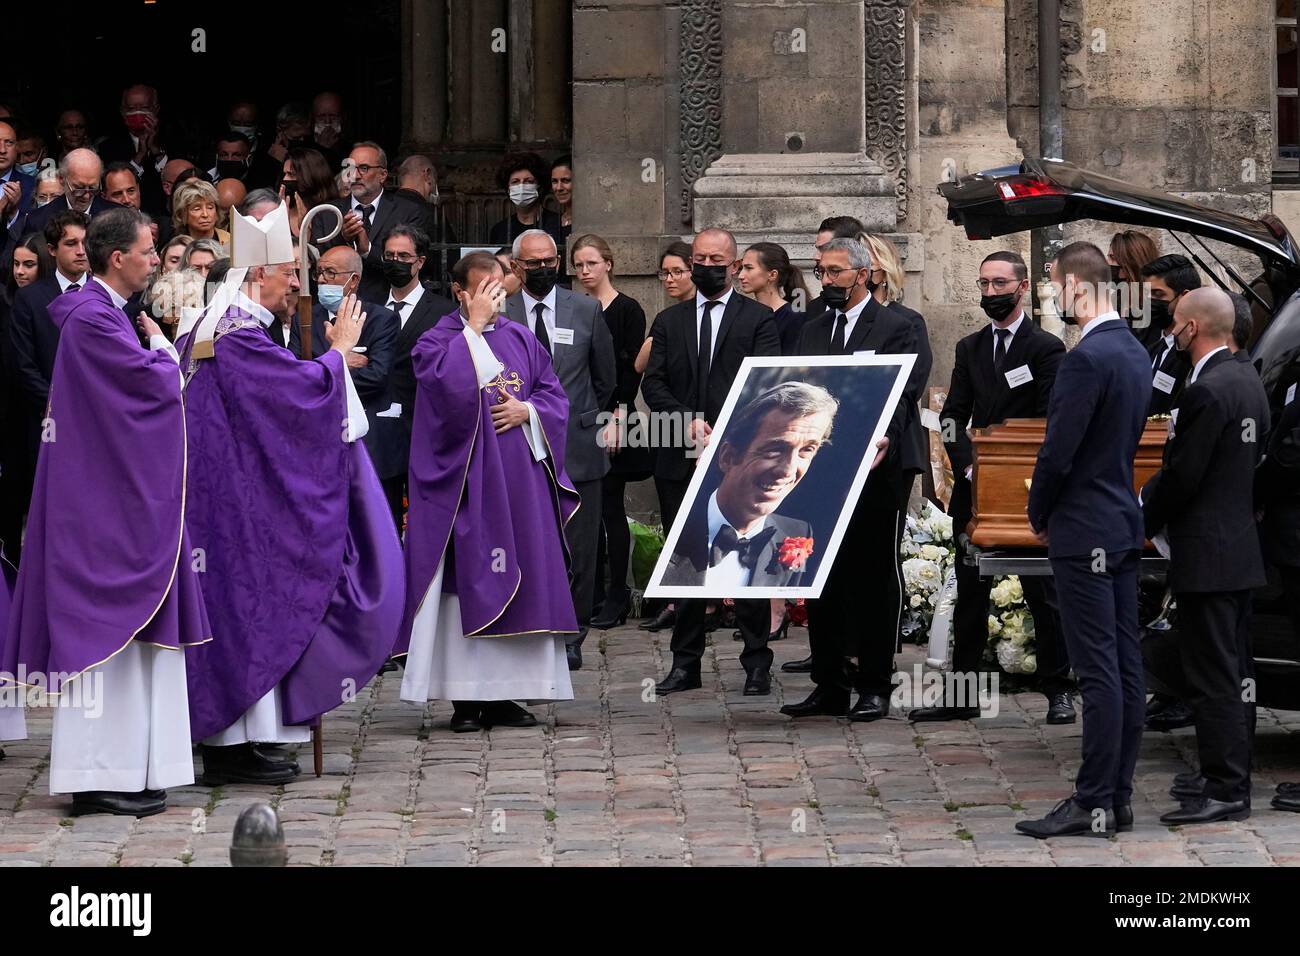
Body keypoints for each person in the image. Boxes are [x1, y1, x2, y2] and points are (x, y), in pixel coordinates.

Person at [177, 202, 403, 784]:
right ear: (258, 275)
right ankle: (229, 747)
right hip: (234, 508)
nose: (299, 285)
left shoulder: (228, 325)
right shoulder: (233, 335)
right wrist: (336, 355)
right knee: (242, 611)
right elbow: (293, 394)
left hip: (233, 496)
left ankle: (246, 739)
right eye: (292, 274)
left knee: (247, 610)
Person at [2, 206, 209, 817]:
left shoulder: (105, 315)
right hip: (97, 508)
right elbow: (149, 391)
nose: (154, 259)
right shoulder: (93, 321)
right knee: (105, 637)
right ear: (117, 257)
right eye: (148, 251)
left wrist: (156, 346)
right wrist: (166, 351)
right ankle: (95, 775)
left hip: (108, 498)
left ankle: (133, 766)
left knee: (131, 644)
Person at [393, 251, 578, 732]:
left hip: (520, 486)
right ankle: (465, 700)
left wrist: (529, 412)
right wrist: (472, 331)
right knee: (466, 583)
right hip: (466, 487)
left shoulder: (521, 337)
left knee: (525, 578)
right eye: (485, 289)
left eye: (500, 287)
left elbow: (554, 395)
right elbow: (447, 400)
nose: (496, 296)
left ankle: (505, 695)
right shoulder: (437, 341)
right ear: (460, 291)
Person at [1018, 241, 1152, 839]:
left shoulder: (1087, 357)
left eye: (1053, 287)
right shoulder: (1132, 350)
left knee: (1098, 670)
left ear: (1076, 287)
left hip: (1084, 526)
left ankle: (1094, 798)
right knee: (1123, 667)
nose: (1054, 298)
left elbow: (1058, 450)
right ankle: (1114, 798)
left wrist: (1037, 508)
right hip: (1121, 522)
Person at [909, 251, 1074, 723]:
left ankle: (1059, 689)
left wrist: (1009, 469)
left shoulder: (1046, 349)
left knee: (1042, 592)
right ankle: (962, 695)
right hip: (975, 486)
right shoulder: (970, 347)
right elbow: (954, 416)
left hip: (1023, 486)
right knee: (970, 587)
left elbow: (1046, 422)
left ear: (1021, 288)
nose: (990, 294)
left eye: (999, 284)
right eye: (983, 284)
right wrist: (967, 467)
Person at [1140, 287, 1269, 825]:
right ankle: (1228, 774)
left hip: (1209, 554)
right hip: (1235, 549)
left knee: (1213, 675)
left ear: (1192, 329)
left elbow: (1185, 475)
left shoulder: (1209, 389)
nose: (1170, 332)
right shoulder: (1247, 378)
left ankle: (1226, 788)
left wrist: (1140, 511)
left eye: (1174, 324)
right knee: (1234, 670)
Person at [642, 227, 782, 696]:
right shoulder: (669, 321)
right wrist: (686, 421)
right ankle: (685, 663)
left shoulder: (759, 320)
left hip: (740, 457)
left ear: (734, 262)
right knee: (686, 562)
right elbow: (653, 383)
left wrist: (726, 432)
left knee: (749, 559)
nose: (705, 266)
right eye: (698, 258)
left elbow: (765, 385)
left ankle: (757, 662)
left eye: (715, 258)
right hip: (680, 453)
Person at [779, 237, 913, 720]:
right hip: (821, 470)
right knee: (823, 577)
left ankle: (875, 683)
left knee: (873, 576)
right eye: (821, 272)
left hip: (877, 473)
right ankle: (829, 682)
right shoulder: (810, 329)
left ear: (863, 274)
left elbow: (903, 394)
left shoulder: (897, 327)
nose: (827, 280)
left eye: (835, 272)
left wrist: (884, 438)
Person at [504, 229, 616, 670]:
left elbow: (605, 378)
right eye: (534, 264)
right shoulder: (502, 310)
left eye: (551, 261)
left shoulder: (585, 309)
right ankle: (529, 627)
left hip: (578, 447)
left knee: (580, 547)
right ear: (517, 267)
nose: (545, 269)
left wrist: (584, 420)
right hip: (517, 448)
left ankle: (572, 632)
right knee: (527, 542)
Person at [661, 382, 832, 588]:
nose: (788, 471)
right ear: (728, 457)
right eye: (775, 449)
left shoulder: (798, 533)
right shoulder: (679, 529)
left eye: (807, 450)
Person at [571, 234, 649, 630]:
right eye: (579, 265)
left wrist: (618, 415)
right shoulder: (574, 309)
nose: (585, 271)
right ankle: (592, 592)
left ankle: (616, 593)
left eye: (591, 263)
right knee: (587, 510)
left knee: (612, 507)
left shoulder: (627, 310)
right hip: (580, 417)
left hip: (615, 415)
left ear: (609, 264)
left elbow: (628, 370)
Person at [293, 246, 400, 523]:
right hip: (317, 436)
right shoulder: (304, 318)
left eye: (331, 273)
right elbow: (296, 375)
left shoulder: (381, 319)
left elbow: (377, 377)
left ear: (353, 280)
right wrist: (340, 358)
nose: (322, 280)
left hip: (366, 436)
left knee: (374, 523)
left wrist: (321, 367)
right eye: (319, 273)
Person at [9, 212, 91, 528]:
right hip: (46, 423)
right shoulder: (30, 299)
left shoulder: (107, 294)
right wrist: (61, 406)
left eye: (85, 243)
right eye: (71, 243)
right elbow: (23, 365)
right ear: (53, 249)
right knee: (49, 512)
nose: (81, 251)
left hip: (98, 422)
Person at [637, 240, 697, 633]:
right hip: (675, 433)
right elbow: (645, 371)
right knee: (676, 522)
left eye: (678, 271)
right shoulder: (667, 321)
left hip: (716, 435)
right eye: (665, 272)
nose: (671, 278)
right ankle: (680, 600)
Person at [382, 223, 456, 532]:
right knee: (383, 521)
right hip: (380, 430)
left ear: (420, 262)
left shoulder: (444, 312)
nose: (395, 262)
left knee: (425, 522)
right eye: (389, 255)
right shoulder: (367, 304)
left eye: (403, 256)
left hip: (423, 428)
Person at [320, 142, 430, 303]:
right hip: (337, 307)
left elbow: (413, 264)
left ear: (383, 175)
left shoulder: (408, 211)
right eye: (350, 168)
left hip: (390, 305)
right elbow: (319, 263)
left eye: (364, 168)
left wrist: (367, 250)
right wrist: (344, 239)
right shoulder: (328, 212)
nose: (355, 175)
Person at [0, 234, 53, 560]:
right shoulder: (5, 302)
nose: (20, 272)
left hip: (37, 413)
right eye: (16, 264)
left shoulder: (47, 307)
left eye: (28, 264)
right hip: (9, 415)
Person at [1139, 253, 1201, 417]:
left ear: (1184, 296)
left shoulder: (1194, 353)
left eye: (1158, 294)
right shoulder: (1148, 346)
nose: (1150, 301)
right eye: (1147, 294)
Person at [96, 85, 169, 218]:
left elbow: (178, 180)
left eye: (144, 108)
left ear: (156, 109)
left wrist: (157, 152)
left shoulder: (174, 139)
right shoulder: (108, 147)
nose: (138, 113)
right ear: (123, 112)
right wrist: (139, 156)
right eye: (131, 109)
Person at [14, 149, 113, 239]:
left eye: (92, 188)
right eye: (79, 188)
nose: (86, 196)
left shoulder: (116, 217)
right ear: (62, 179)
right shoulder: (38, 221)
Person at [738, 241, 810, 356]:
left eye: (749, 268)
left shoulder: (794, 317)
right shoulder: (746, 313)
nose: (741, 276)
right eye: (741, 268)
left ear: (772, 275)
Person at [488, 152, 560, 246]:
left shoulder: (557, 224)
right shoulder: (500, 230)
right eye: (515, 182)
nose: (521, 186)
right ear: (508, 188)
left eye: (529, 181)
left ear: (540, 186)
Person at [1107, 230, 1162, 350]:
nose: (1107, 263)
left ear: (1130, 263)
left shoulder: (1153, 308)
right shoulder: (1115, 299)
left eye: (1112, 258)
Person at [172, 179, 228, 245]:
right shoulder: (176, 247)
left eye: (210, 208)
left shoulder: (231, 242)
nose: (205, 214)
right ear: (181, 214)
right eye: (197, 209)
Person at [549, 155, 573, 286]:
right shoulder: (551, 222)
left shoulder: (588, 223)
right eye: (554, 181)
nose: (559, 187)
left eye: (565, 180)